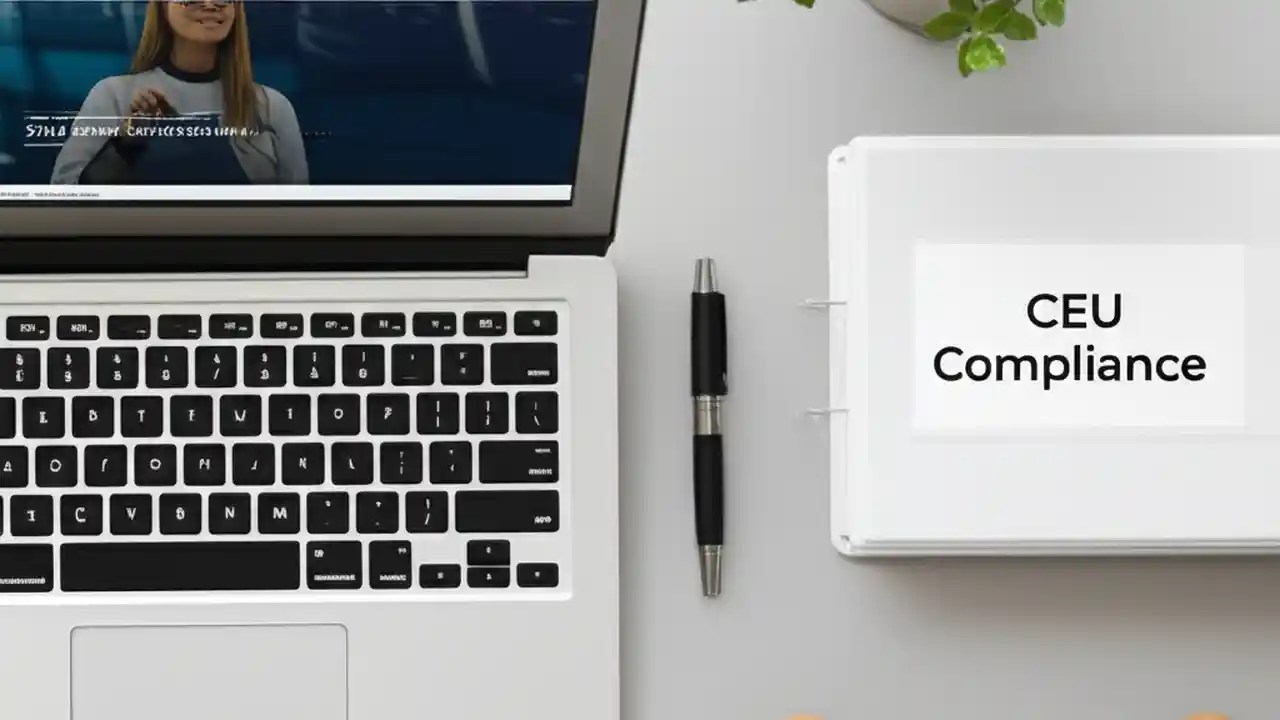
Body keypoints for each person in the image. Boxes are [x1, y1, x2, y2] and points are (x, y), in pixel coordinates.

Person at [51, 0, 308, 184]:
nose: (210, 4)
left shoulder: (271, 106)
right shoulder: (113, 95)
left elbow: (298, 215)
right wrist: (125, 145)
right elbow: (64, 193)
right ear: (162, 7)